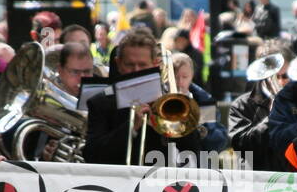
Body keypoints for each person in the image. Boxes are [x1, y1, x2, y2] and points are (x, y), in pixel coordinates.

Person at [83, 29, 209, 165]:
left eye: (142, 65)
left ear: (155, 64)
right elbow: (92, 155)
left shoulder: (167, 100)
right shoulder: (100, 103)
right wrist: (131, 127)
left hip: (160, 182)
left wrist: (171, 117)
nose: (136, 71)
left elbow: (194, 151)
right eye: (130, 65)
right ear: (118, 63)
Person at [229, 42, 291, 172]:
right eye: (275, 76)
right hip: (256, 182)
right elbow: (242, 147)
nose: (281, 82)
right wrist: (272, 117)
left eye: (286, 76)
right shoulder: (241, 105)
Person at [170, 52, 228, 153]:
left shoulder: (204, 101)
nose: (180, 82)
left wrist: (201, 129)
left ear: (192, 76)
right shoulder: (159, 97)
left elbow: (217, 143)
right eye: (175, 77)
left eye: (185, 77)